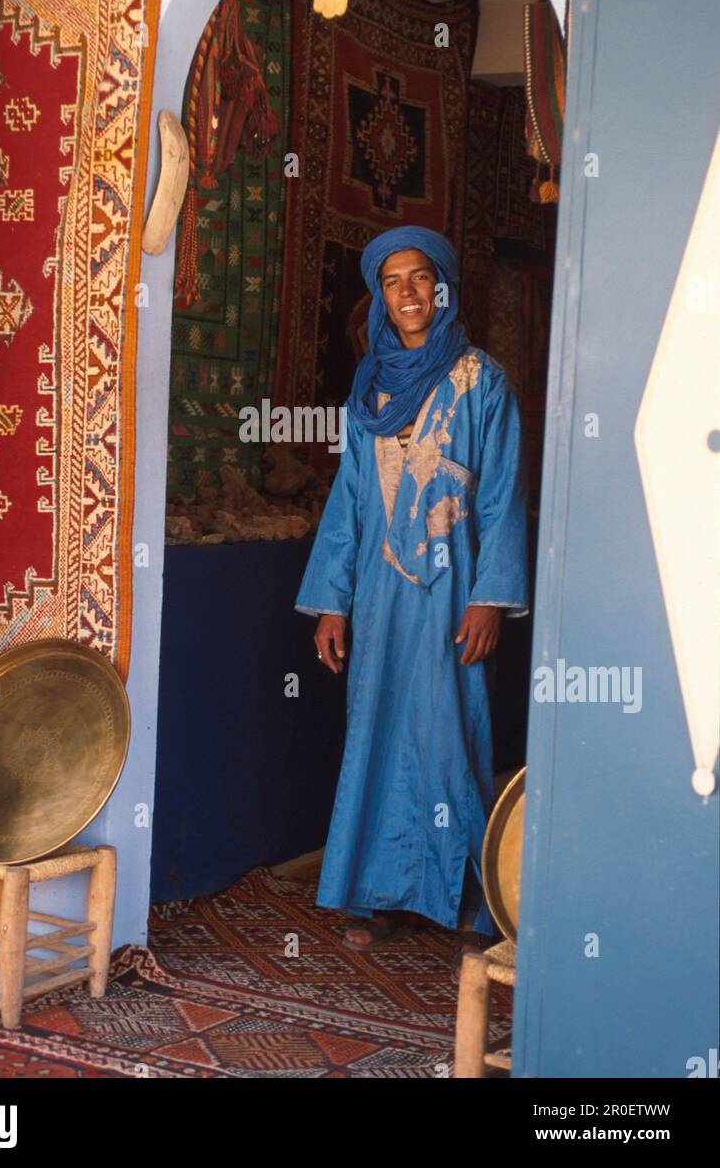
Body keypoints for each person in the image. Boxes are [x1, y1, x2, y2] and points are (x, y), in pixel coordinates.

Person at [294, 225, 528, 969]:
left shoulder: (481, 380)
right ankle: (383, 895)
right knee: (379, 734)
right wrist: (332, 601)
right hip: (380, 597)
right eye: (393, 283)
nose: (408, 294)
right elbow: (348, 505)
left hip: (454, 592)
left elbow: (501, 496)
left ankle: (470, 895)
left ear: (443, 287)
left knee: (452, 733)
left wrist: (491, 597)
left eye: (420, 278)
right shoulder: (371, 391)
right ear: (381, 299)